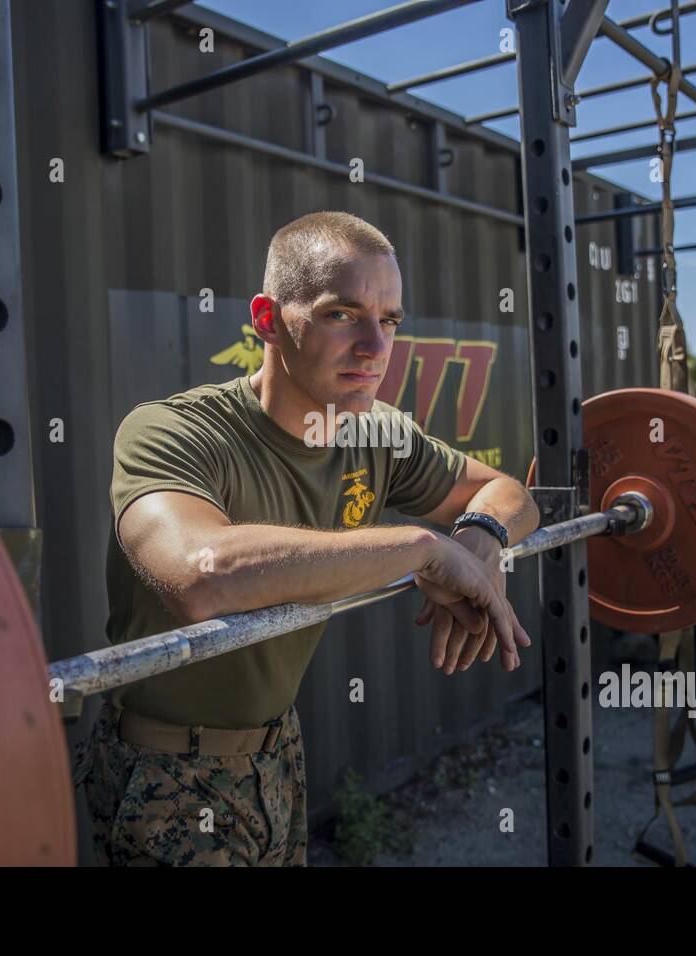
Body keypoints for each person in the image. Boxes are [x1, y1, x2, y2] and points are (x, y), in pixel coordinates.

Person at [78, 210, 539, 866]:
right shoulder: (170, 432)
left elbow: (509, 494)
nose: (376, 349)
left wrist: (481, 543)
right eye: (342, 314)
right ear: (267, 319)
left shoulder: (373, 431)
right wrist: (421, 549)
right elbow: (200, 575)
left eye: (390, 321)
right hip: (168, 774)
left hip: (280, 752)